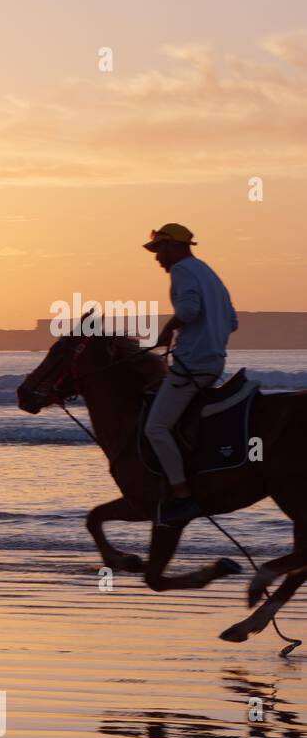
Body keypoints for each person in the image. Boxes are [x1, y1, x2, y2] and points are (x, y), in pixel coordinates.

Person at [142, 224, 238, 526]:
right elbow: (232, 321)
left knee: (155, 428)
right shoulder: (207, 271)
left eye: (159, 251)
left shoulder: (181, 271)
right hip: (214, 361)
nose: (157, 259)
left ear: (174, 247)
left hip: (193, 363)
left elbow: (188, 311)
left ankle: (183, 496)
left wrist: (166, 332)